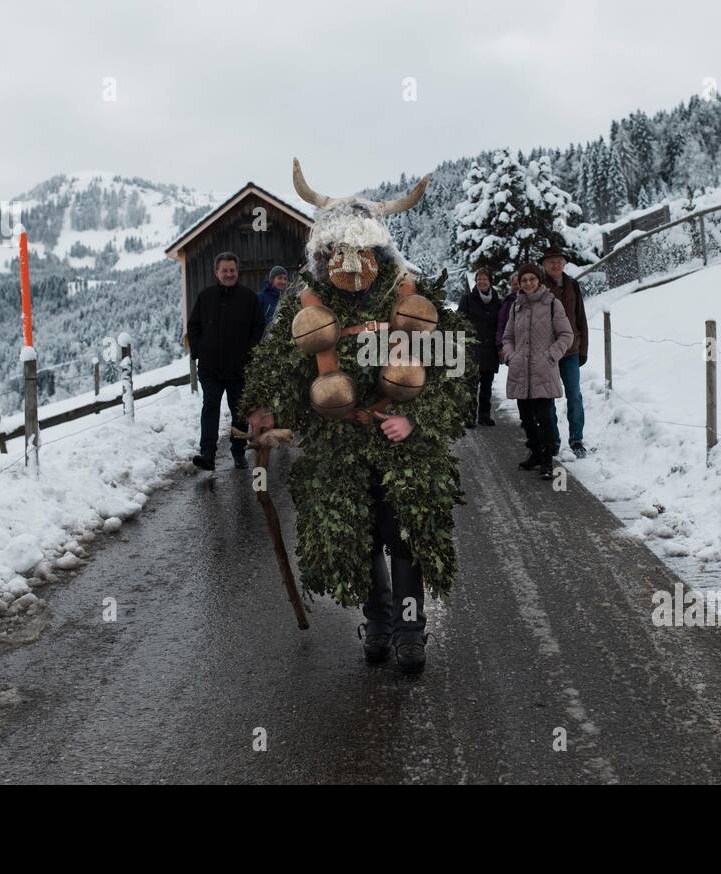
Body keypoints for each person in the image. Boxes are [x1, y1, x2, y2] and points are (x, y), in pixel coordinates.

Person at [241, 159, 472, 675]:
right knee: (359, 535)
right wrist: (264, 407)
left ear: (378, 250)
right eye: (337, 251)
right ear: (323, 252)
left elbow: (458, 370)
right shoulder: (307, 305)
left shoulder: (411, 298)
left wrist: (416, 422)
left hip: (404, 445)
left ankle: (412, 631)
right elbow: (275, 370)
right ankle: (381, 622)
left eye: (361, 250)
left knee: (408, 533)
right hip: (338, 446)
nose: (350, 262)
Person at [187, 251, 265, 471]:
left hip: (239, 368)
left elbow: (258, 327)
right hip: (210, 367)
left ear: (237, 272)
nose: (229, 274)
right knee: (210, 407)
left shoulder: (249, 298)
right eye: (224, 271)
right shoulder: (205, 297)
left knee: (238, 411)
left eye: (232, 270)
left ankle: (238, 451)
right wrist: (199, 350)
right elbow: (193, 326)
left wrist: (250, 351)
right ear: (216, 272)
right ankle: (208, 454)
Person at [501, 263, 573, 480]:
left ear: (539, 281)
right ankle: (535, 451)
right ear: (519, 284)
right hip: (520, 371)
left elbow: (566, 335)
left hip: (543, 371)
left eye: (532, 279)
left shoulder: (552, 304)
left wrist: (551, 355)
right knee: (526, 417)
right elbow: (508, 337)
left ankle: (547, 459)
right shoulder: (517, 306)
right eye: (524, 280)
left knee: (545, 417)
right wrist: (510, 355)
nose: (528, 283)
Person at [539, 245, 589, 458]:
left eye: (559, 261)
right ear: (544, 265)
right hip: (548, 353)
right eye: (551, 262)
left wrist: (584, 348)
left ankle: (576, 439)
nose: (556, 265)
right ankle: (553, 440)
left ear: (564, 264)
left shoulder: (572, 285)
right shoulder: (539, 286)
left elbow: (581, 318)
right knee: (548, 397)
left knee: (574, 395)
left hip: (571, 351)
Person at [457, 267, 502, 427]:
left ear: (490, 281)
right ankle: (468, 417)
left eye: (485, 279)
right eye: (479, 279)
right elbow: (459, 321)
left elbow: (501, 325)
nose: (482, 282)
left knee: (487, 386)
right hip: (472, 349)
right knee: (470, 385)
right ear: (475, 282)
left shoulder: (498, 301)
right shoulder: (467, 299)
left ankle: (484, 415)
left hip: (490, 350)